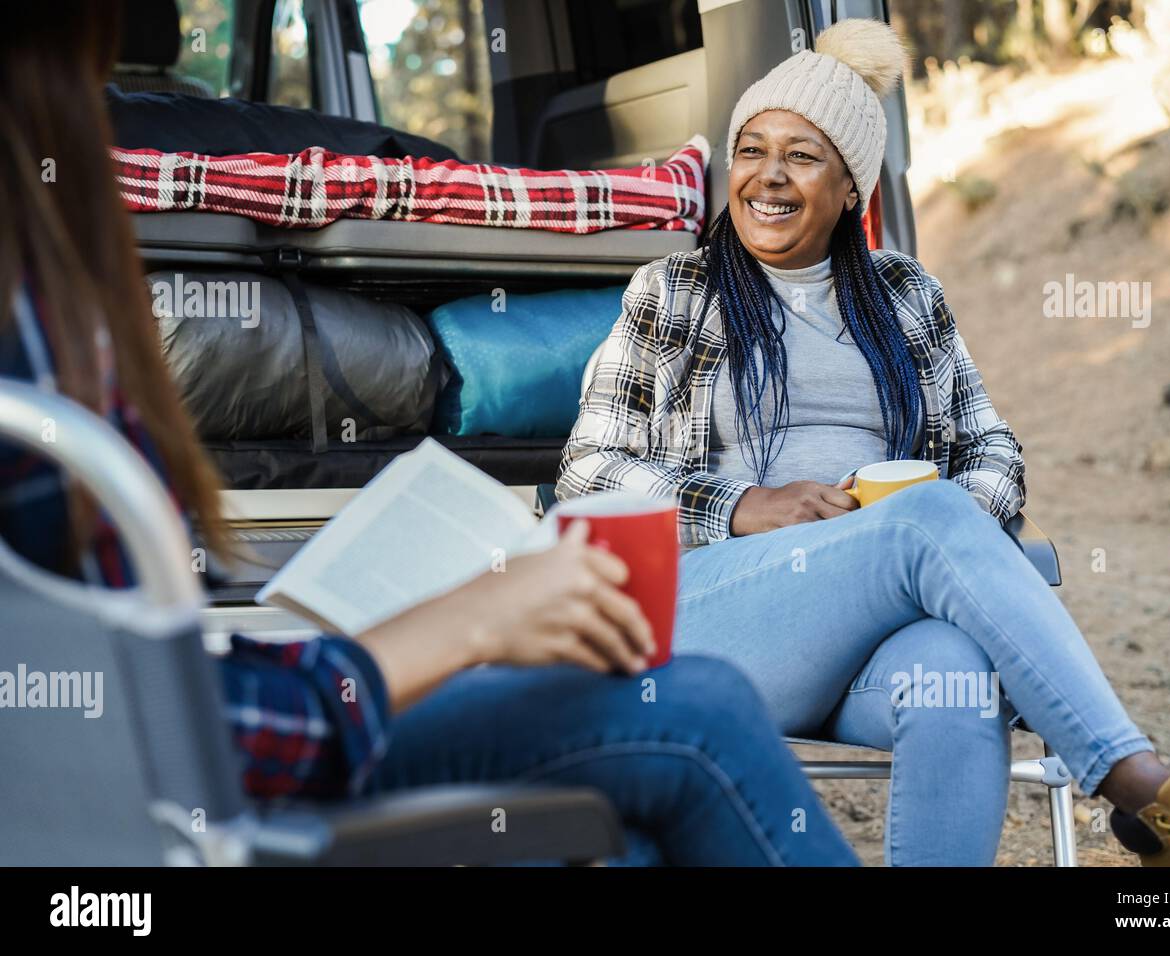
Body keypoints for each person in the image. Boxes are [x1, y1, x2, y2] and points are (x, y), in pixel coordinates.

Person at [0, 0, 860, 867]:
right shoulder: (31, 329)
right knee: (695, 712)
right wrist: (460, 625)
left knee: (621, 829)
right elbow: (173, 735)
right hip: (159, 816)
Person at [557, 17, 1170, 867]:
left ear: (850, 190)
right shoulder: (676, 292)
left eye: (802, 155)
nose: (767, 175)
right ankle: (1149, 792)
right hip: (716, 617)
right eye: (752, 149)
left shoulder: (906, 296)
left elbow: (994, 453)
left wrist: (928, 528)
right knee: (927, 522)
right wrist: (744, 507)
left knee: (956, 676)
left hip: (869, 623)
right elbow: (589, 473)